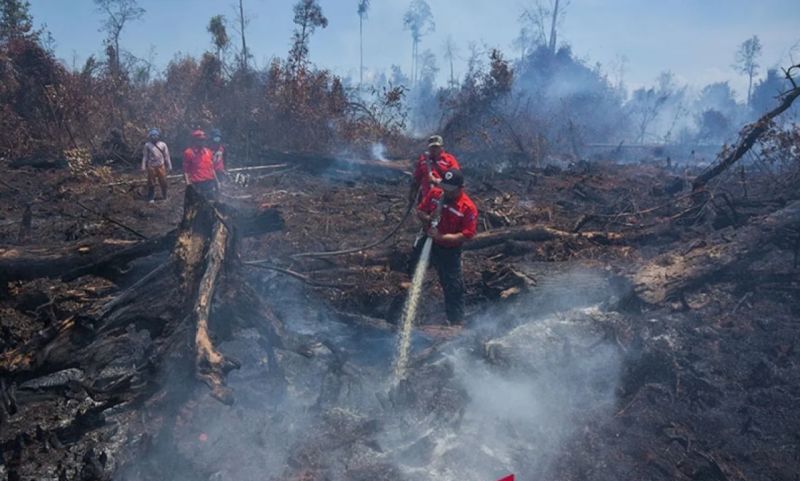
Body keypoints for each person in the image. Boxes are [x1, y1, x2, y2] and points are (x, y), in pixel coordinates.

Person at [415, 168, 478, 324]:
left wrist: (442, 237)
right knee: (413, 274)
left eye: (450, 190)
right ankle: (403, 315)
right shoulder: (436, 194)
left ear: (460, 188)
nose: (446, 193)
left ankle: (456, 323)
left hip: (448, 251)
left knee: (453, 287)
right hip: (428, 241)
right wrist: (427, 220)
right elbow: (420, 211)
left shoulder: (467, 208)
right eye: (445, 188)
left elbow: (467, 235)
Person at [409, 134, 461, 203]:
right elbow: (417, 177)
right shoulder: (423, 159)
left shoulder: (449, 159)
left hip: (443, 198)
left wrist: (438, 181)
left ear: (442, 147)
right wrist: (413, 192)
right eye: (432, 147)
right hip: (426, 197)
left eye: (436, 147)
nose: (434, 149)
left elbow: (455, 178)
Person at [183, 129, 218, 198]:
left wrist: (217, 182)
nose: (202, 142)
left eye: (203, 140)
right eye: (200, 140)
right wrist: (188, 184)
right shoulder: (189, 153)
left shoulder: (208, 152)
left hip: (209, 182)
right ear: (194, 141)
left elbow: (212, 168)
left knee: (212, 204)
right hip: (197, 184)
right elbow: (185, 171)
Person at [141, 128, 172, 203]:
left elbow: (166, 156)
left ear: (158, 136)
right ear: (150, 136)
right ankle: (151, 197)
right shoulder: (147, 145)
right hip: (151, 166)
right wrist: (143, 166)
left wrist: (169, 165)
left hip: (161, 165)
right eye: (152, 136)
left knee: (163, 181)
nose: (154, 137)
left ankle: (164, 196)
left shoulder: (163, 144)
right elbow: (145, 156)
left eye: (155, 136)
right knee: (151, 182)